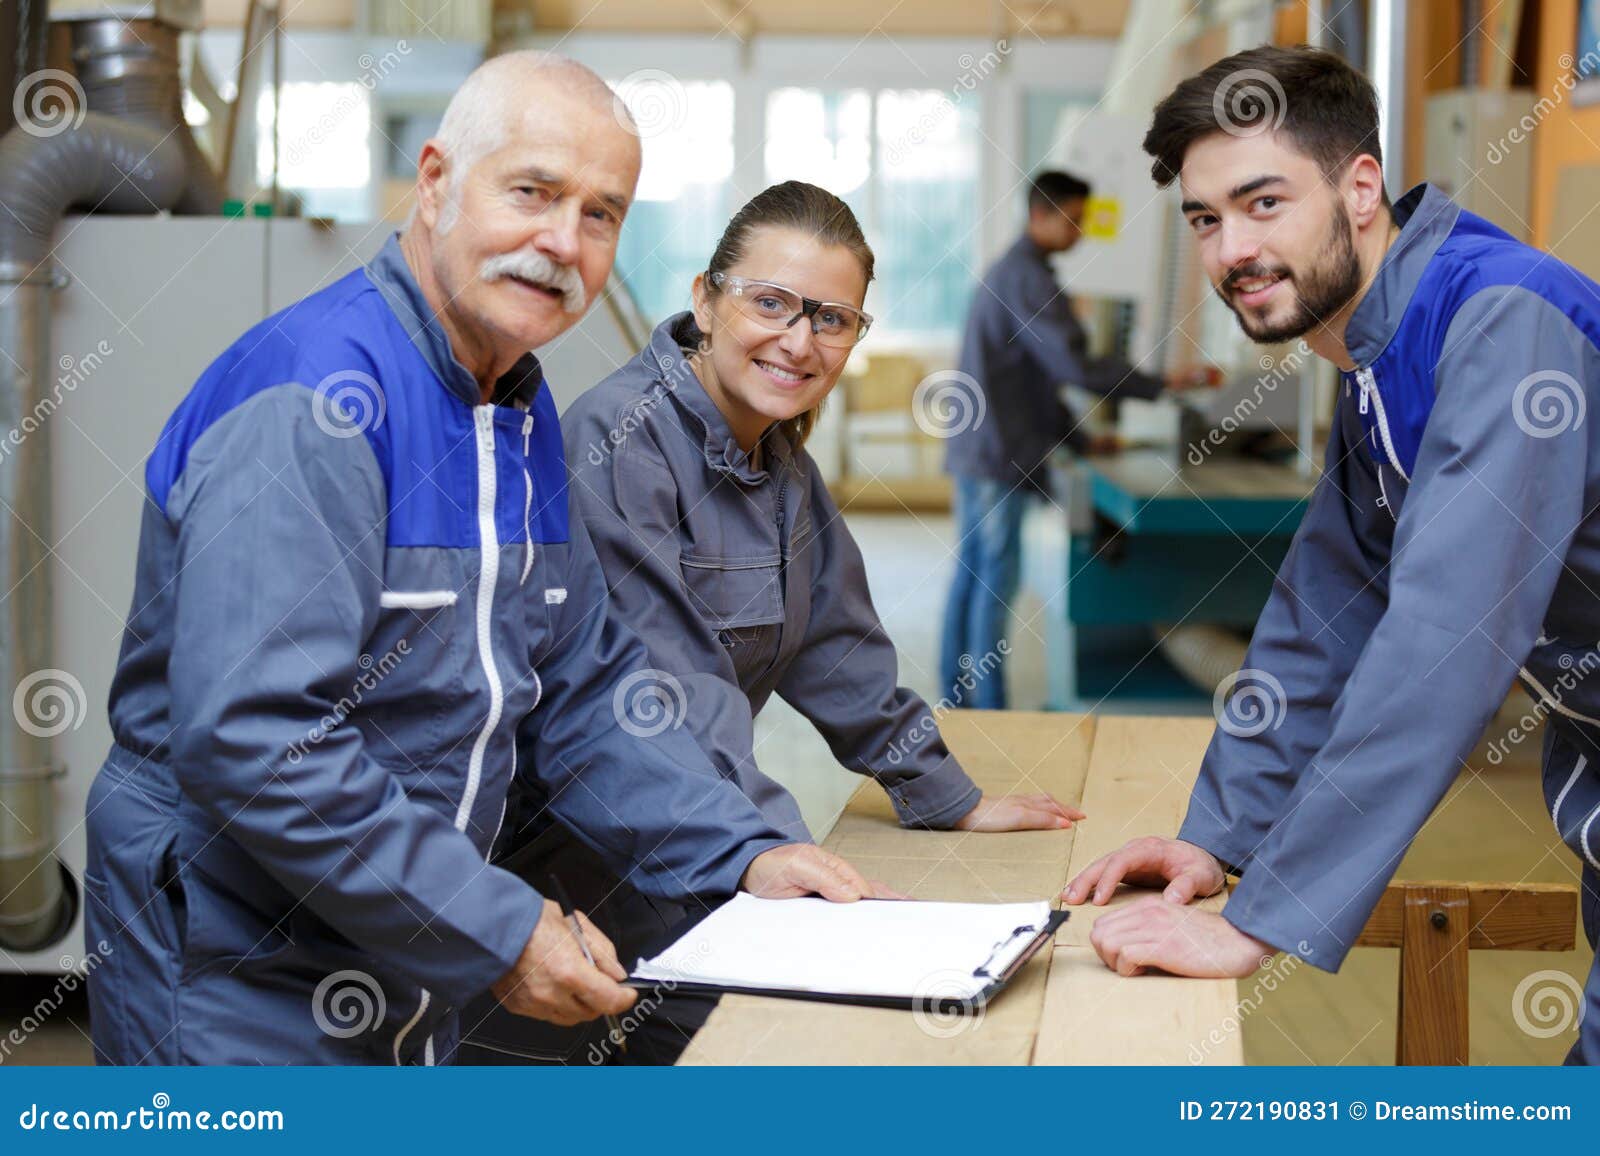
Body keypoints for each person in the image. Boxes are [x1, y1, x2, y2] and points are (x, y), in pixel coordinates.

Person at [82, 52, 876, 1067]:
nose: (562, 242)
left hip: (401, 945)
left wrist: (744, 851)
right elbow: (254, 737)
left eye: (601, 214)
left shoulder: (512, 403)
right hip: (239, 963)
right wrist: (497, 926)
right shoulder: (314, 403)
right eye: (533, 192)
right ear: (434, 180)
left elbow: (585, 685)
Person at [457, 181, 1084, 1065]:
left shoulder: (779, 459)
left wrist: (945, 795)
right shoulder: (619, 447)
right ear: (705, 299)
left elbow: (837, 646)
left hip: (691, 833)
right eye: (771, 302)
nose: (799, 341)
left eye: (833, 318)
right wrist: (767, 852)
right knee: (778, 1051)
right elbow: (666, 699)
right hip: (573, 859)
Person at [1064, 44, 1600, 1065]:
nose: (1230, 250)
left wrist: (1254, 921)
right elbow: (1327, 611)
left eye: (1264, 203)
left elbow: (1443, 645)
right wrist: (1218, 840)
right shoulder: (1375, 357)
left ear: (1360, 189)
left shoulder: (1498, 323)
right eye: (1205, 218)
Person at [940, 171, 1208, 709]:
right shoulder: (1028, 280)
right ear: (1042, 215)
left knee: (973, 582)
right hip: (999, 456)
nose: (1082, 232)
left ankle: (959, 706)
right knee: (992, 588)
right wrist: (1162, 383)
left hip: (983, 450)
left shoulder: (1018, 273)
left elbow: (1036, 378)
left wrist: (1083, 442)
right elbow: (1072, 365)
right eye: (1075, 220)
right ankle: (989, 717)